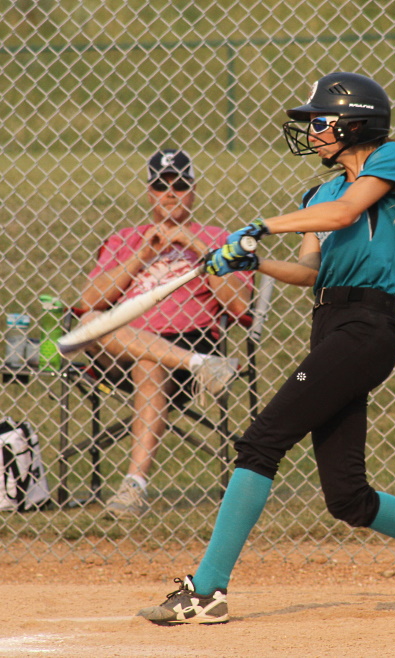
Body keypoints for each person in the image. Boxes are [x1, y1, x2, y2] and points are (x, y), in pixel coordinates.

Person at [135, 72, 395, 625]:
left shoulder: (389, 158)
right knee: (347, 498)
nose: (312, 131)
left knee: (261, 443)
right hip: (331, 324)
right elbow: (309, 272)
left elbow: (345, 214)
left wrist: (260, 226)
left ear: (354, 123)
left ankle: (208, 590)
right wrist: (254, 262)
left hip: (366, 327)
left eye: (320, 121)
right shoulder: (316, 195)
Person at [77, 148, 252, 518]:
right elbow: (88, 300)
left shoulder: (219, 238)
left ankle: (133, 486)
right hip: (121, 349)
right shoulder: (126, 239)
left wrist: (199, 248)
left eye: (180, 185)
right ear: (149, 193)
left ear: (194, 191)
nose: (170, 193)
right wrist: (142, 255)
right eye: (160, 185)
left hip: (188, 338)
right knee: (90, 319)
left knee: (149, 361)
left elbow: (239, 305)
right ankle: (203, 365)